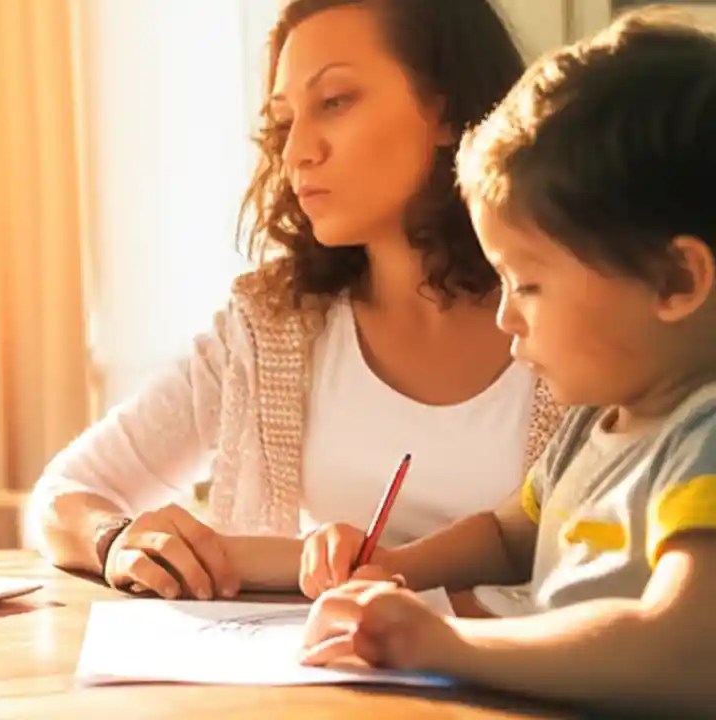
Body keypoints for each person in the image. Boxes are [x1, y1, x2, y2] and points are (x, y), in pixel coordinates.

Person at [28, 0, 564, 603]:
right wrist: (117, 541)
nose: (296, 153)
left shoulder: (575, 312)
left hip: (527, 687)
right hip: (317, 683)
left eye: (334, 102)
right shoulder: (269, 327)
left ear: (447, 108)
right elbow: (63, 493)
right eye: (286, 121)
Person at [296, 10, 716, 714]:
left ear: (675, 282)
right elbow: (505, 535)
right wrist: (392, 567)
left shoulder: (700, 442)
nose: (505, 315)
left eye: (529, 284)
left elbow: (685, 649)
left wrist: (445, 645)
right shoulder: (598, 424)